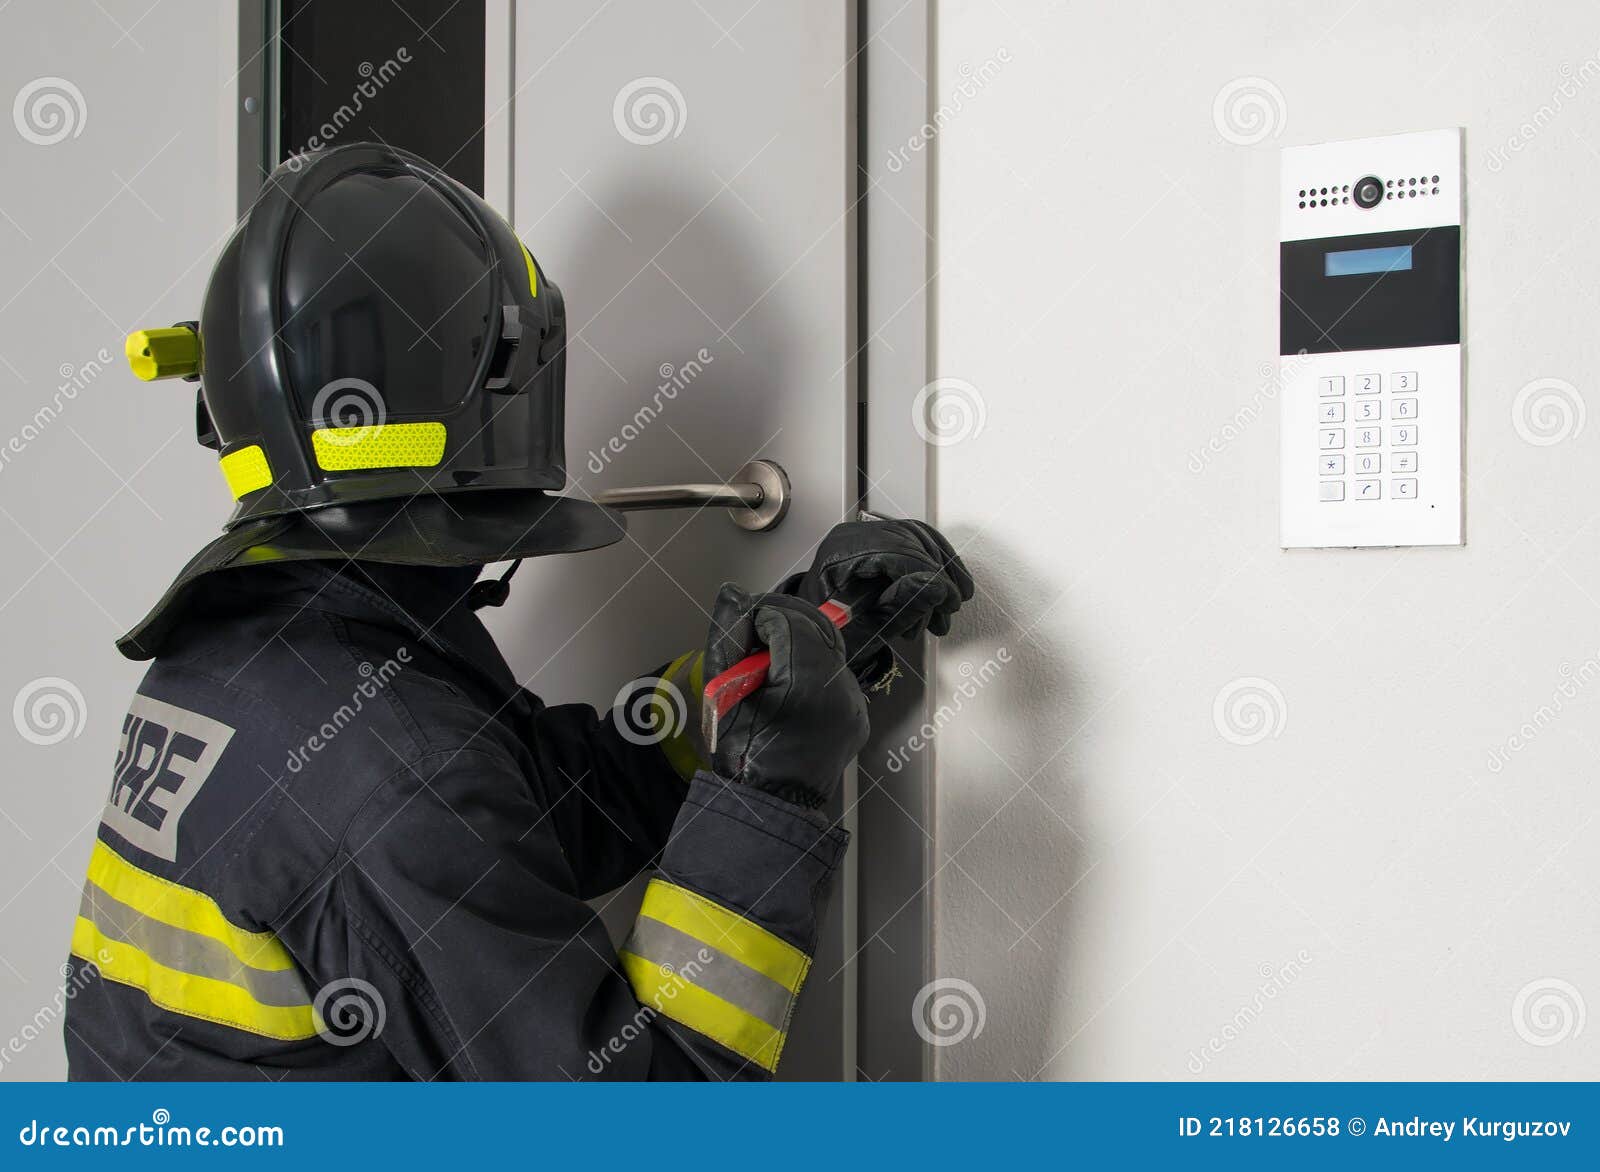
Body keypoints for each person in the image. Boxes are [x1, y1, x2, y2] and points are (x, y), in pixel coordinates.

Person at [64, 144, 972, 1080]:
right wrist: (766, 801)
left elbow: (517, 825)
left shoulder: (242, 652)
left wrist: (792, 646)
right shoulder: (384, 759)